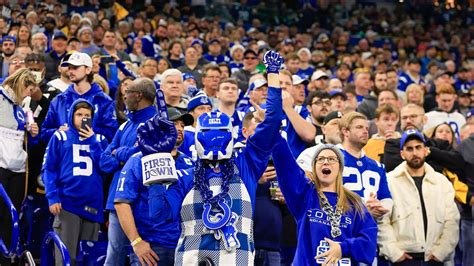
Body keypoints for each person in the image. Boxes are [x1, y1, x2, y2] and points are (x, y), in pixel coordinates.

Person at [146, 50, 284, 264]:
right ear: (197, 135)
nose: (215, 139)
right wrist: (155, 163)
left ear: (232, 134)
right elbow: (159, 217)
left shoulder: (245, 165)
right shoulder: (186, 175)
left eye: (220, 132)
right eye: (209, 133)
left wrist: (273, 75)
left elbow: (273, 122)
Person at [271, 140, 377, 265]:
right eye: (320, 159)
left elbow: (369, 241)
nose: (326, 162)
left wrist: (343, 248)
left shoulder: (355, 202)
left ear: (340, 168)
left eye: (332, 159)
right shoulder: (305, 195)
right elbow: (287, 167)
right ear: (314, 168)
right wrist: (275, 131)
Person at [114, 107, 194, 266]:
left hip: (185, 246)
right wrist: (136, 241)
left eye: (182, 125)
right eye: (174, 123)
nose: (179, 128)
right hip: (151, 247)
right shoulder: (138, 159)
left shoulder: (189, 162)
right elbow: (122, 203)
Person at [42, 99, 109, 265]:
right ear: (71, 115)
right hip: (67, 204)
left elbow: (105, 168)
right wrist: (52, 197)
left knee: (89, 258)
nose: (83, 118)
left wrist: (93, 142)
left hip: (93, 206)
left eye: (87, 115)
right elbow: (48, 170)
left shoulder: (100, 140)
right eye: (79, 114)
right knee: (66, 258)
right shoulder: (60, 136)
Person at [378, 130, 460, 265]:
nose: (415, 153)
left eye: (418, 147)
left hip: (435, 258)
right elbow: (383, 221)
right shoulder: (389, 181)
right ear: (402, 154)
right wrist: (394, 253)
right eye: (409, 149)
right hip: (404, 259)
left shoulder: (441, 181)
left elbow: (452, 221)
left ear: (426, 150)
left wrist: (441, 252)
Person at [100, 77, 157, 266]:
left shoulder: (156, 123)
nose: (124, 97)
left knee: (143, 257)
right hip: (118, 200)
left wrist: (120, 153)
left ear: (138, 95)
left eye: (128, 93)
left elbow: (144, 153)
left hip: (144, 201)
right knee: (113, 257)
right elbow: (103, 161)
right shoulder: (125, 125)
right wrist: (125, 153)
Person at [0, 69, 37, 266]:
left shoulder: (22, 109)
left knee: (9, 215)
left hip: (18, 169)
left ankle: (5, 259)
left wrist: (32, 130)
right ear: (22, 84)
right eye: (29, 90)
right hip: (1, 167)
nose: (29, 95)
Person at [41, 52, 118, 142]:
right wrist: (57, 132)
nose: (70, 71)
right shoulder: (59, 100)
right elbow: (44, 132)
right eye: (69, 68)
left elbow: (113, 133)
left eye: (75, 67)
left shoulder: (104, 100)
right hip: (66, 154)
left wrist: (88, 131)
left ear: (88, 70)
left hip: (93, 154)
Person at [178, 91, 213, 161]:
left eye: (209, 109)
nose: (206, 112)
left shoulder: (216, 133)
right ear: (191, 113)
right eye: (201, 108)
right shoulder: (183, 133)